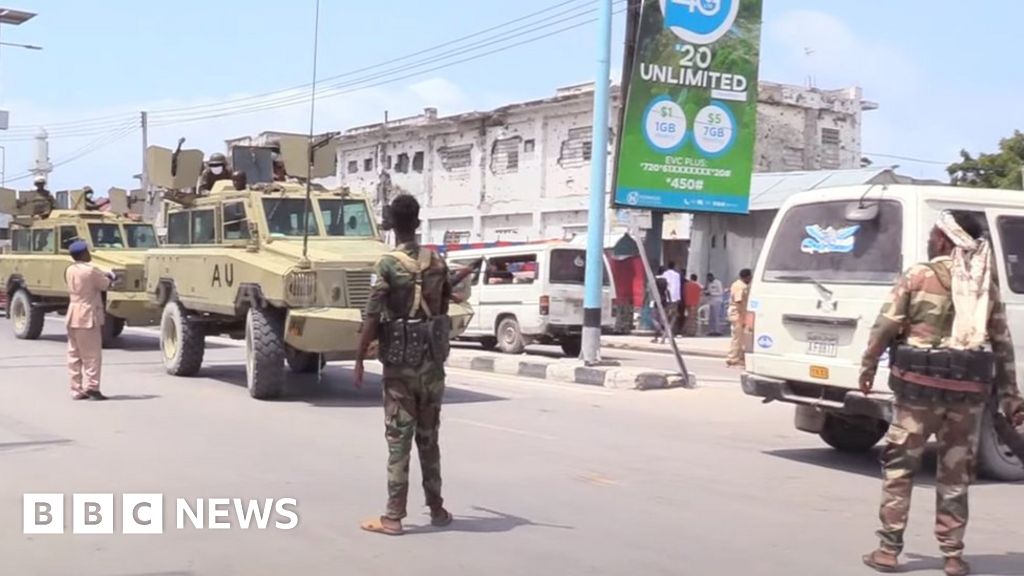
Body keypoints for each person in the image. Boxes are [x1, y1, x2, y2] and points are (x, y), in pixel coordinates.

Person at [860, 211, 1024, 576]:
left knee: (900, 470)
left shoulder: (918, 275)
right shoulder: (985, 285)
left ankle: (888, 550)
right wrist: (1011, 394)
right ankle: (952, 557)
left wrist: (867, 365)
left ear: (947, 240)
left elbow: (886, 325)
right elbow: (1002, 343)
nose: (931, 239)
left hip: (917, 396)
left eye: (936, 233)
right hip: (965, 401)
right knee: (955, 477)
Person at [355, 194, 455, 536]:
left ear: (392, 225)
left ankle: (393, 517)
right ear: (417, 222)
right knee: (429, 437)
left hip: (399, 369)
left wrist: (358, 358)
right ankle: (437, 508)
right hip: (432, 366)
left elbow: (371, 316)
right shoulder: (437, 262)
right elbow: (443, 306)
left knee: (399, 439)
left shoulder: (387, 265)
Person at [65, 240, 115, 401]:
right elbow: (105, 285)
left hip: (73, 313)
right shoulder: (90, 270)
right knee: (91, 354)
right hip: (87, 315)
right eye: (87, 252)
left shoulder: (70, 269)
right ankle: (92, 387)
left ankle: (76, 388)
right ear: (83, 254)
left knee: (74, 354)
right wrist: (111, 276)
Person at [727, 269, 753, 368]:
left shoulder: (737, 284)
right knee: (737, 338)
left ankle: (740, 358)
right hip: (738, 314)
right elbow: (739, 302)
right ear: (747, 277)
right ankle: (732, 359)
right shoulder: (741, 287)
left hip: (738, 314)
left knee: (741, 338)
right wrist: (744, 319)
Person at [649, 267, 672, 344]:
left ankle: (661, 332)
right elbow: (667, 291)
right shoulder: (665, 281)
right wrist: (670, 300)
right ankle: (657, 337)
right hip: (664, 300)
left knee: (654, 319)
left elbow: (651, 291)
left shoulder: (654, 280)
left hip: (656, 300)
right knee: (663, 319)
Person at [660, 262, 681, 337]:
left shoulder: (664, 274)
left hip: (666, 297)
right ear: (674, 266)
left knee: (666, 315)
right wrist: (678, 298)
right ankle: (670, 331)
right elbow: (677, 287)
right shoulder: (677, 275)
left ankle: (665, 331)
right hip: (674, 298)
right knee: (673, 316)